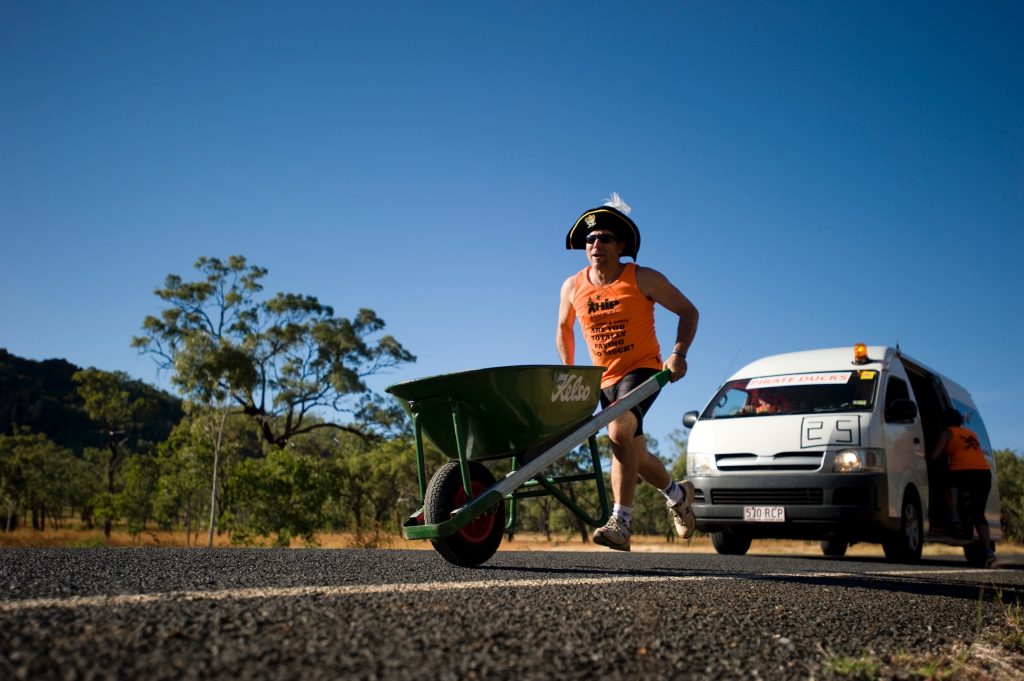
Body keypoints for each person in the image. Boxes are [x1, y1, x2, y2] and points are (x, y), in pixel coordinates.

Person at [556, 192, 700, 552]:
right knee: (634, 454)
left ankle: (621, 521)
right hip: (603, 379)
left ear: (620, 244)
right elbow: (563, 328)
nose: (595, 244)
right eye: (589, 239)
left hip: (644, 370)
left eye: (604, 238)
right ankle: (678, 495)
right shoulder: (573, 285)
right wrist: (570, 373)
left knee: (618, 430)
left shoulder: (642, 278)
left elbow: (688, 311)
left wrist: (678, 353)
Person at [928, 408, 997, 567]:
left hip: (963, 472)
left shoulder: (947, 433)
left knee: (944, 483)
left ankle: (954, 517)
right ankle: (988, 551)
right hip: (984, 474)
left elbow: (934, 455)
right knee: (978, 513)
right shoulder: (971, 433)